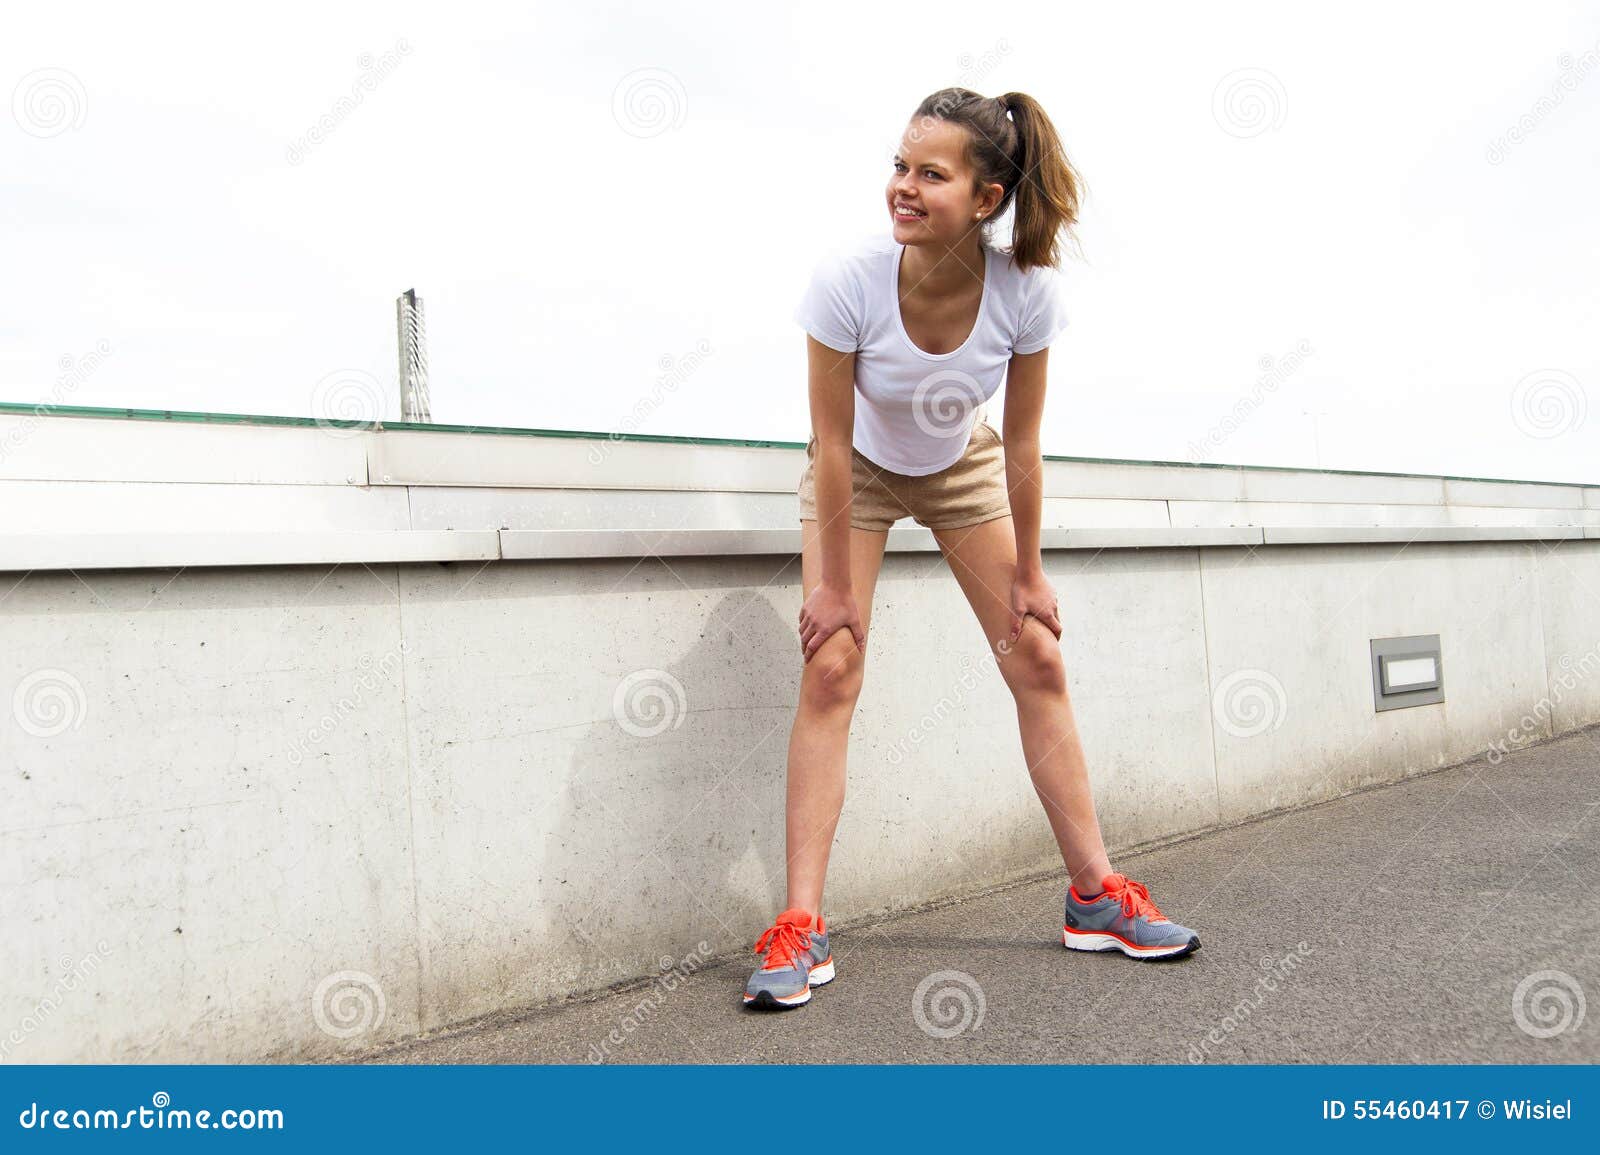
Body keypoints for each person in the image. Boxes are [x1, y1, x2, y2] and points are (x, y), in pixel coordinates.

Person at [743, 87, 1201, 1011]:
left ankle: (1095, 895)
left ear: (987, 197)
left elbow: (1023, 446)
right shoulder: (848, 280)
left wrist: (1029, 571)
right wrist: (832, 588)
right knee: (832, 664)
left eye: (931, 174)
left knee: (1036, 653)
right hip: (858, 471)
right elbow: (831, 444)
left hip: (962, 467)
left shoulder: (1027, 295)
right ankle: (800, 924)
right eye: (899, 167)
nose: (903, 188)